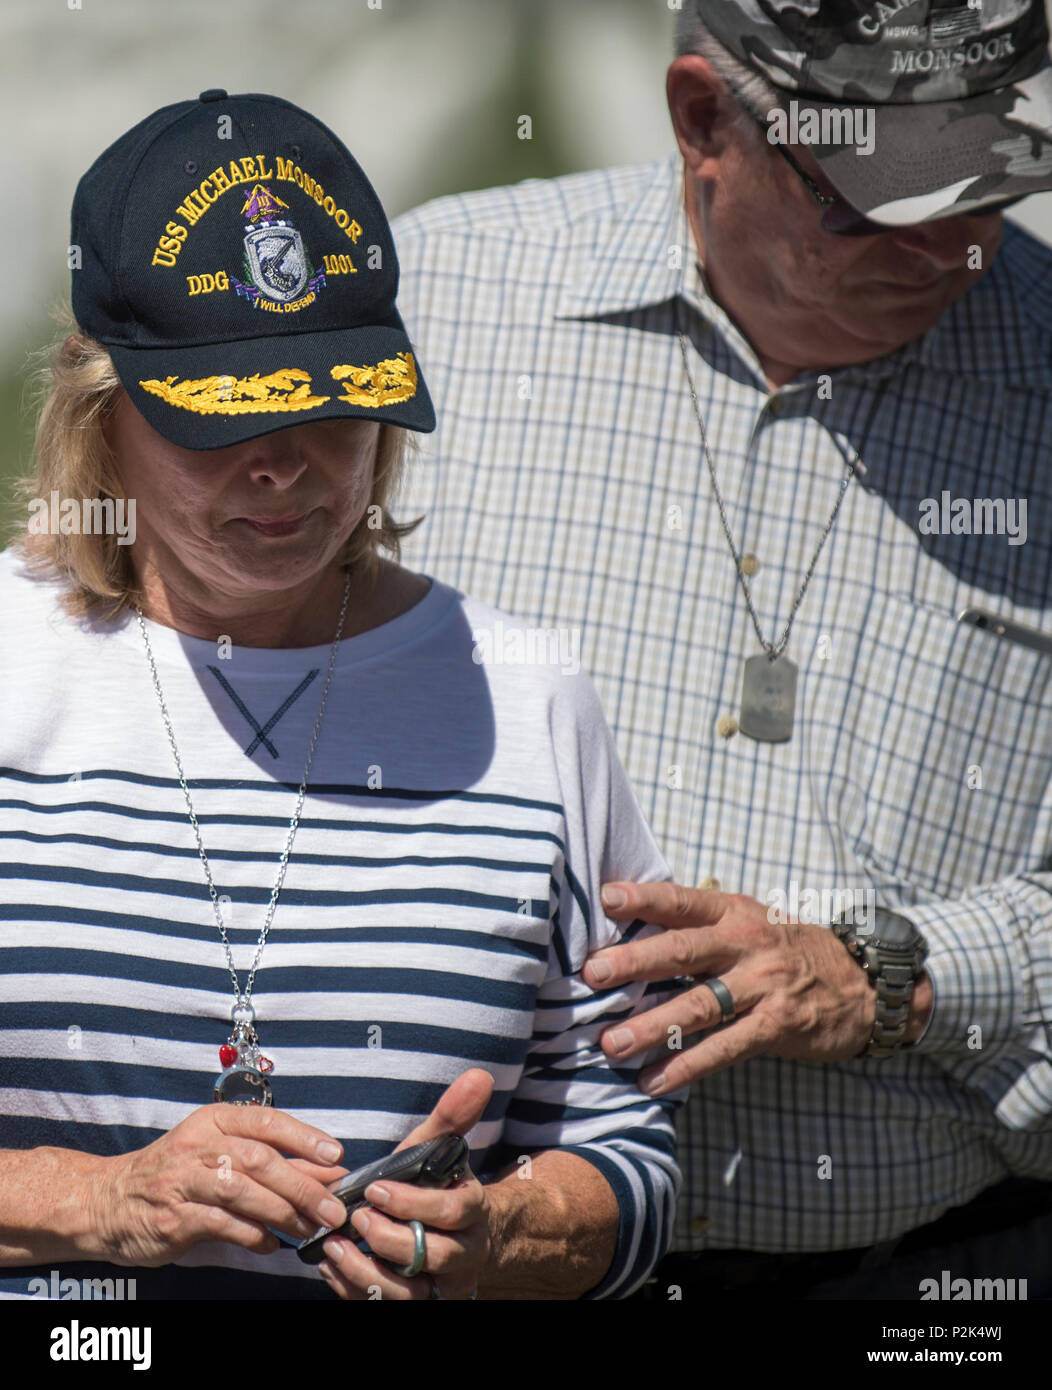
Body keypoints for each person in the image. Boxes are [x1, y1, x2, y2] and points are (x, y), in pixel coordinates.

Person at [389, 0, 1052, 1298]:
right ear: (705, 120)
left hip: (926, 1280)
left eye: (994, 180)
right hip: (466, 1261)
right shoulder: (439, 308)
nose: (956, 243)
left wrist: (893, 975)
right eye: (888, 199)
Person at [0, 89, 684, 1301]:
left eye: (331, 406)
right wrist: (91, 1202)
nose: (283, 461)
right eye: (223, 416)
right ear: (101, 411)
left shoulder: (526, 699)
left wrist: (499, 1240)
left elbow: (626, 1153)